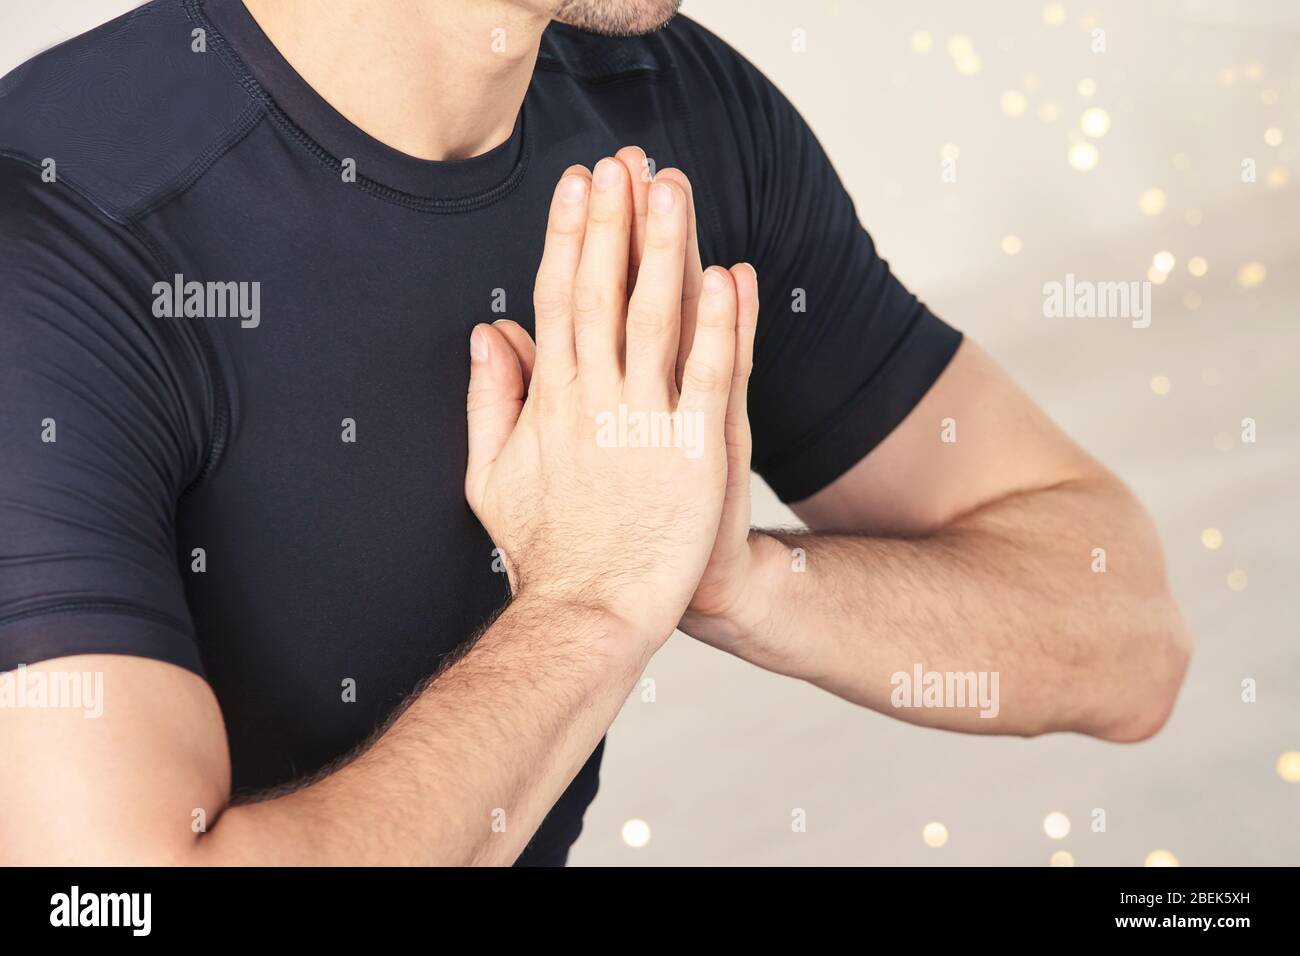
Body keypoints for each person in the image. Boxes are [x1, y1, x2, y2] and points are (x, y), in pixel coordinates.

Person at [0, 0, 1189, 866]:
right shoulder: (59, 236)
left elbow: (1129, 641)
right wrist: (590, 609)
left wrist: (735, 580)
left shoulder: (674, 114)